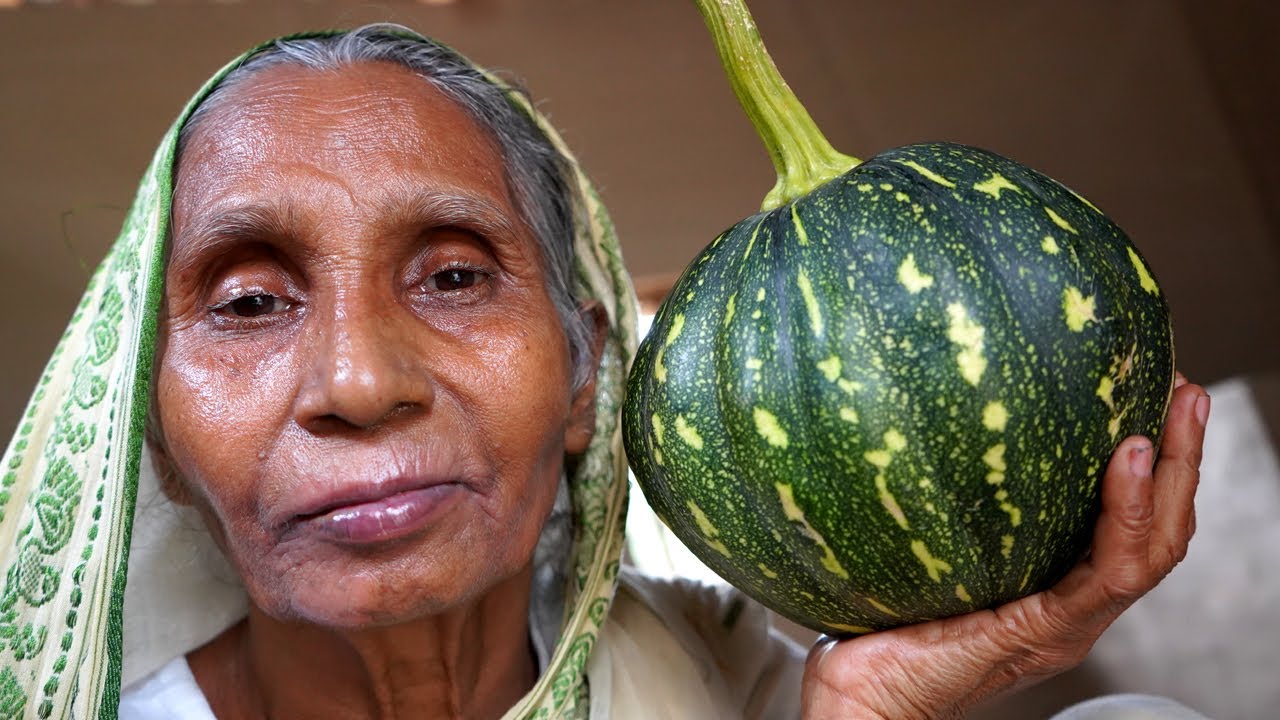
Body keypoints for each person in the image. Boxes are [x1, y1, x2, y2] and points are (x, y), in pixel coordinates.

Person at [0, 24, 1211, 720]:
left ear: (588, 380)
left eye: (456, 277)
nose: (360, 382)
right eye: (251, 302)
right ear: (147, 434)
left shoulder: (716, 670)